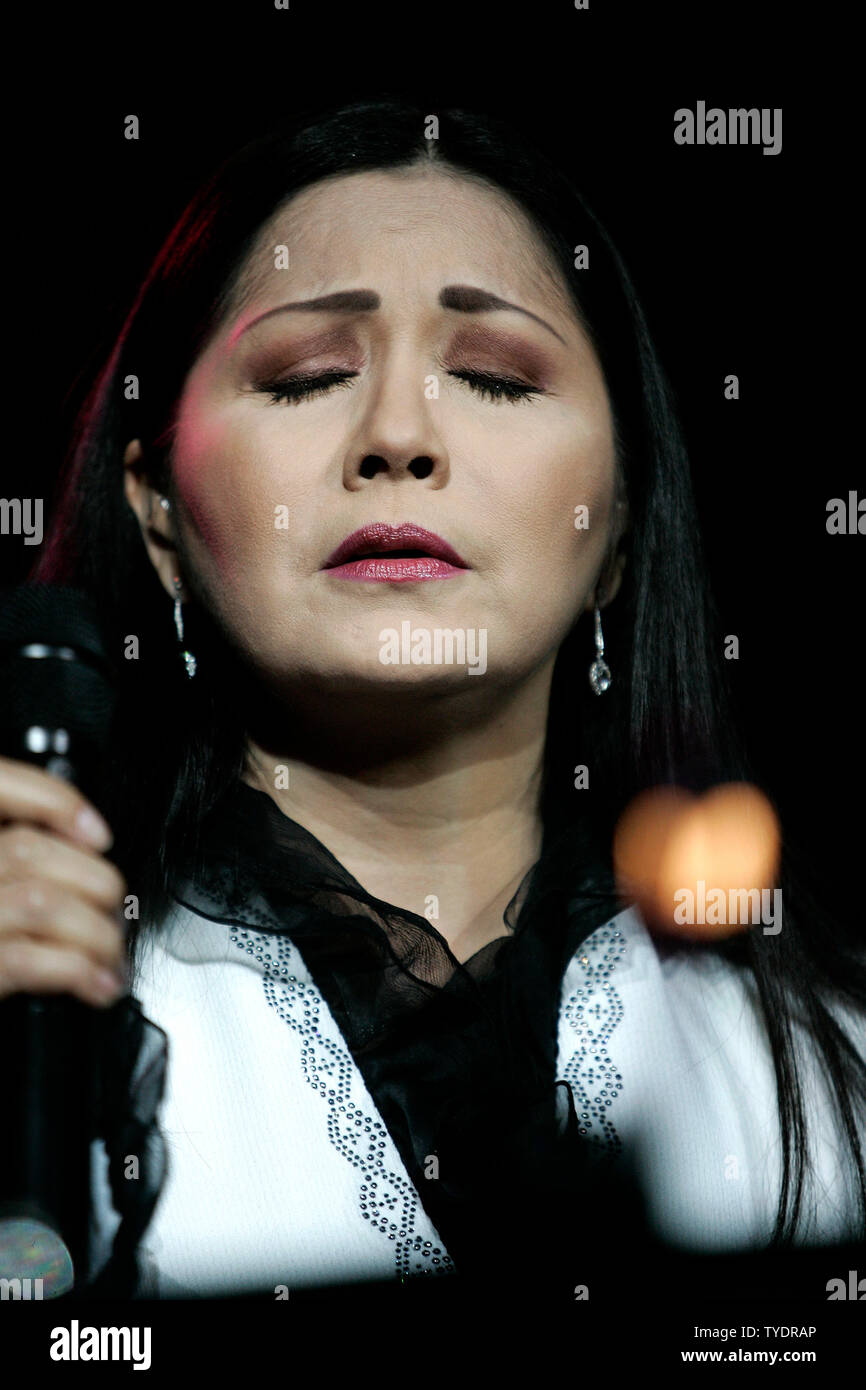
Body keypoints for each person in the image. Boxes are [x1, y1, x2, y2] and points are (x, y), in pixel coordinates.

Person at [1, 99, 864, 1299]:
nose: (398, 435)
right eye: (306, 375)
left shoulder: (831, 1076)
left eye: (492, 377)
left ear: (615, 521)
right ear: (156, 511)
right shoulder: (38, 1021)